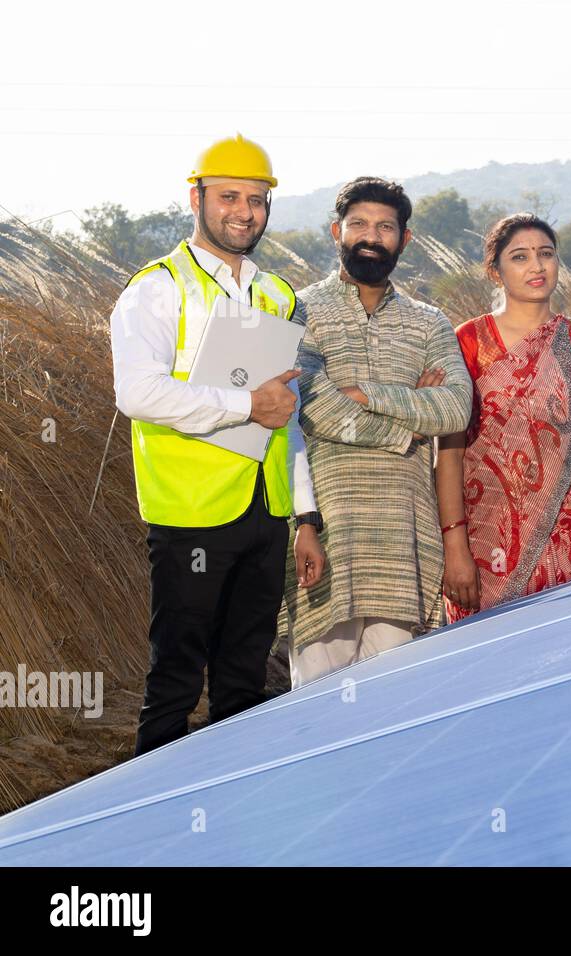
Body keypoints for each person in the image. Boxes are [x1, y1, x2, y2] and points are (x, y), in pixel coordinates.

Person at [110, 134, 325, 757]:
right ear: (196, 196)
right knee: (175, 681)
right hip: (191, 515)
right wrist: (241, 405)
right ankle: (155, 826)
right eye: (229, 196)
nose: (244, 211)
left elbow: (285, 414)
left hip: (265, 513)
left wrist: (305, 516)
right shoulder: (156, 288)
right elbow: (137, 393)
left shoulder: (279, 294)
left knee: (245, 678)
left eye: (257, 200)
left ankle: (235, 817)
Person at [284, 177, 472, 686]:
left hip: (405, 536)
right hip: (327, 530)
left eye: (385, 227)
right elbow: (311, 407)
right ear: (335, 232)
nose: (372, 236)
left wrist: (368, 393)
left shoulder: (429, 322)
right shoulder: (295, 310)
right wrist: (410, 421)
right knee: (315, 705)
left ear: (404, 240)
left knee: (391, 702)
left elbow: (456, 408)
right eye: (359, 224)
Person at [436, 213, 571, 622]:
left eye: (546, 254)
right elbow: (447, 455)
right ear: (495, 272)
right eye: (520, 257)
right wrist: (455, 551)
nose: (537, 266)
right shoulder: (465, 343)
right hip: (487, 551)